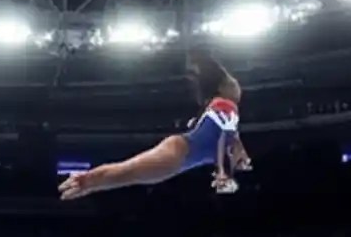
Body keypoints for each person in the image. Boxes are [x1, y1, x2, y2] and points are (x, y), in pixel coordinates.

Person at [59, 48, 247, 199]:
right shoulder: (226, 107)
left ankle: (88, 181)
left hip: (184, 149)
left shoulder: (224, 119)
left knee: (128, 173)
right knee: (127, 172)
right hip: (178, 153)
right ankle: (86, 180)